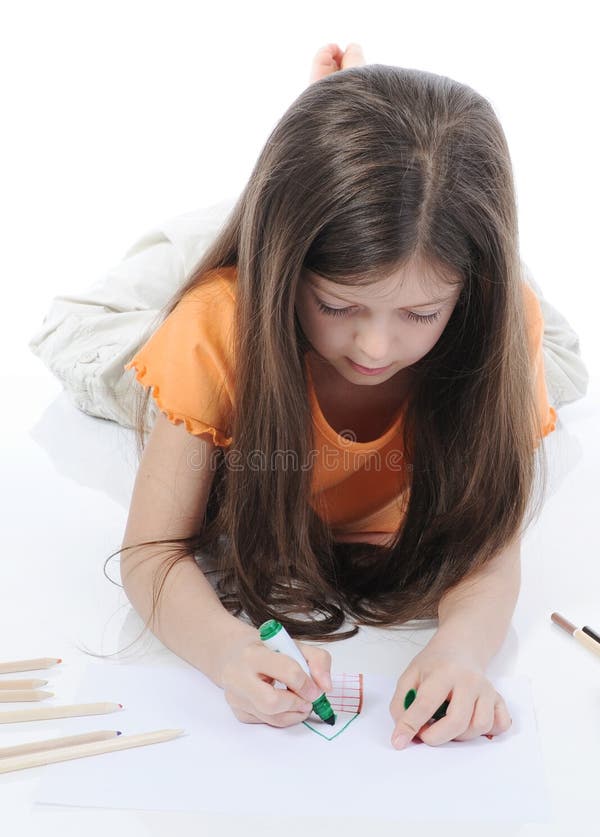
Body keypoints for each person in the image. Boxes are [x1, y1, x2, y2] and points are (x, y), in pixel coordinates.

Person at [29, 44, 589, 751]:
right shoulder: (212, 332)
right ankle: (293, 188)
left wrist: (462, 652)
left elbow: (488, 555)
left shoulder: (500, 333)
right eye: (337, 304)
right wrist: (227, 651)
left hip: (469, 298)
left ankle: (363, 157)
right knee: (85, 332)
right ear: (292, 275)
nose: (375, 350)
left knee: (561, 363)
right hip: (216, 331)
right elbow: (152, 551)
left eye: (419, 314)